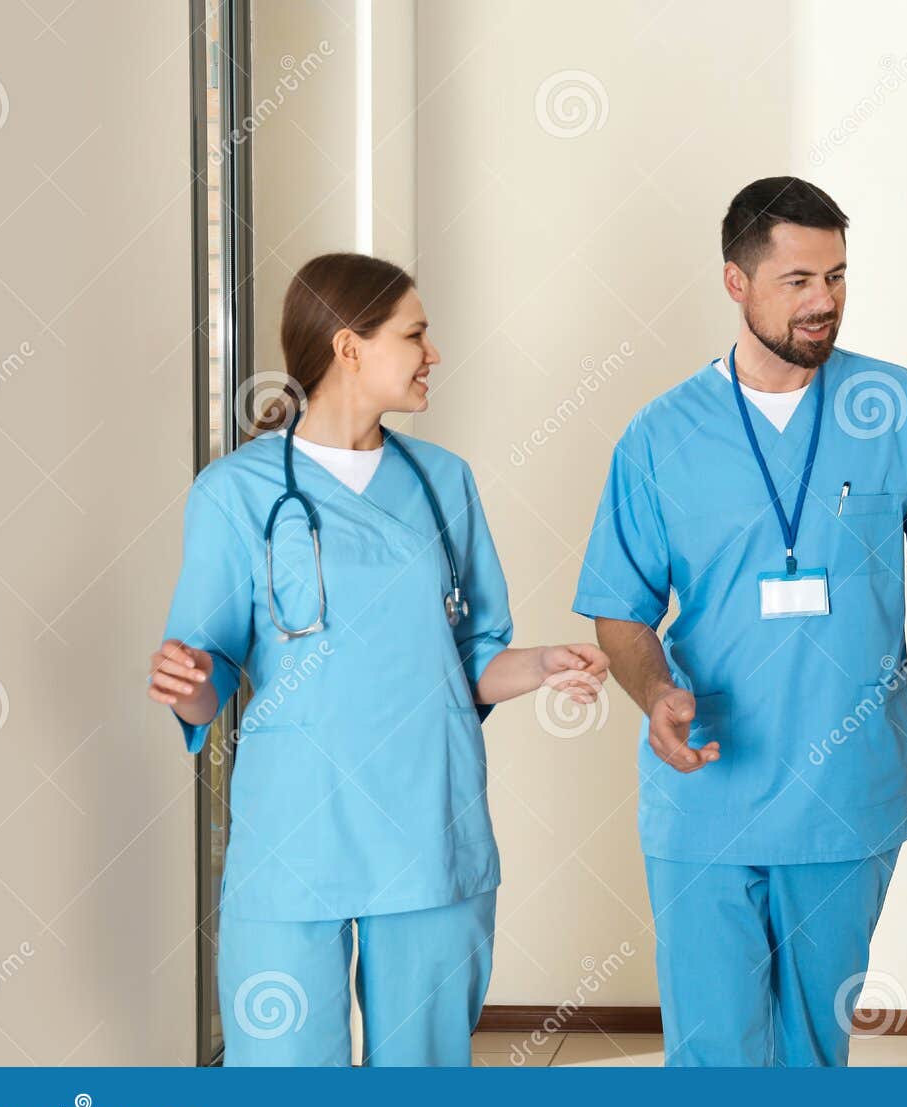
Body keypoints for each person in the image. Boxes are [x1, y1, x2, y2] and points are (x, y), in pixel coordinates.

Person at [575, 177, 907, 1066]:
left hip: (845, 795)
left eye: (839, 277)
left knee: (815, 1052)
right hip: (708, 795)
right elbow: (619, 611)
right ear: (737, 282)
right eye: (799, 280)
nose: (825, 302)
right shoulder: (662, 436)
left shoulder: (897, 408)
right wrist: (654, 690)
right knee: (714, 1054)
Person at [146, 252, 608, 1066]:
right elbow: (208, 672)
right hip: (298, 830)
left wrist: (540, 667)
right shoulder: (235, 492)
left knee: (423, 1079)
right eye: (416, 334)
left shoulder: (444, 482)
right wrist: (186, 688)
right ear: (349, 346)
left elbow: (472, 658)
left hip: (428, 823)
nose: (434, 353)